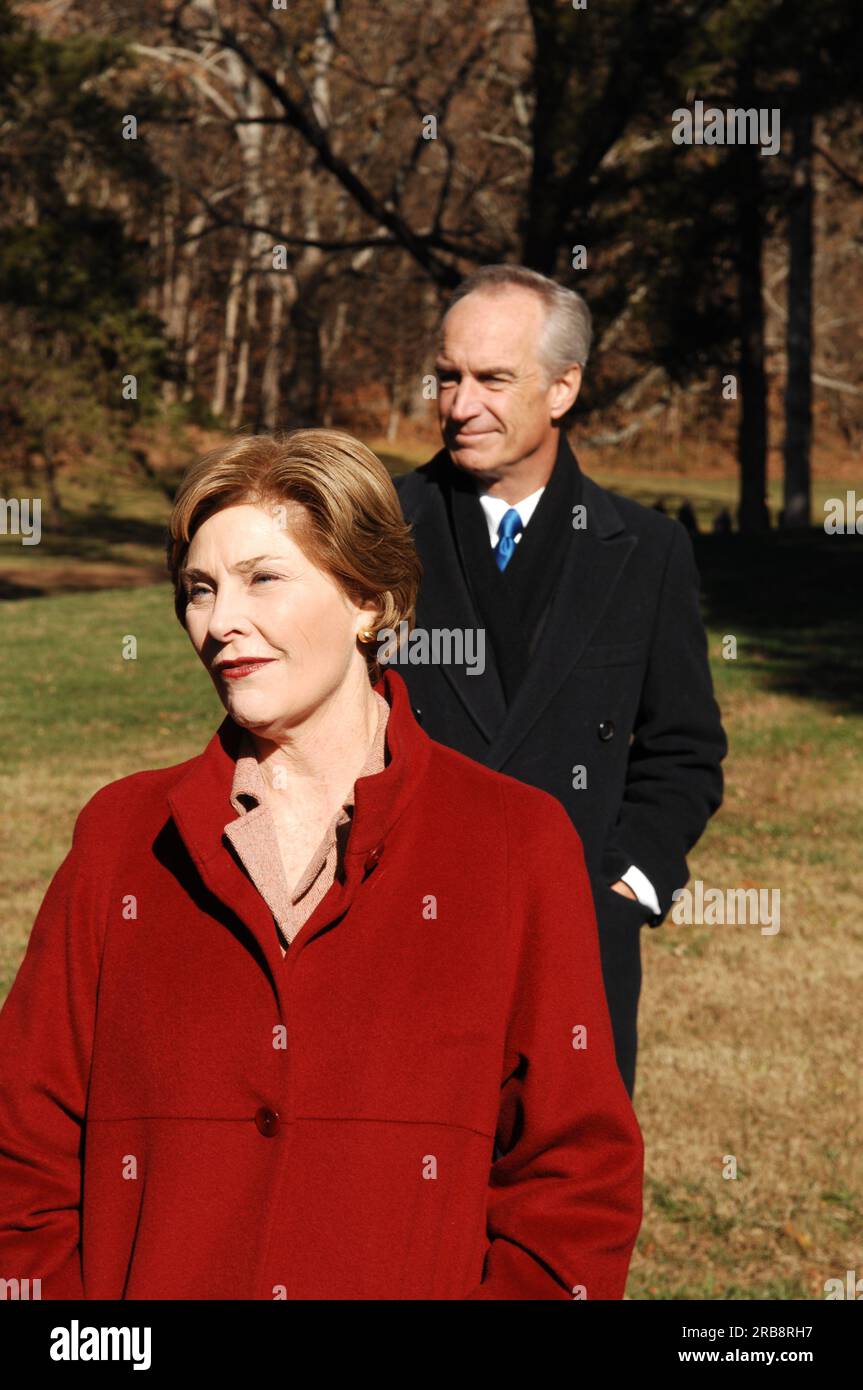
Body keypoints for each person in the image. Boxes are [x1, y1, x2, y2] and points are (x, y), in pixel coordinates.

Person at [0, 429, 643, 1300]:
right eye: (199, 589)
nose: (219, 621)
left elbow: (573, 1173)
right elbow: (24, 1148)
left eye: (263, 578)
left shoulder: (514, 841)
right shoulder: (122, 834)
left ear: (368, 599)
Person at [392, 265, 728, 1098]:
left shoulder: (646, 551)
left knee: (565, 1208)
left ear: (562, 388)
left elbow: (683, 751)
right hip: (395, 944)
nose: (460, 405)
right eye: (448, 377)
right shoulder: (373, 529)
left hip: (575, 957)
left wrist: (626, 888)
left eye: (492, 379)